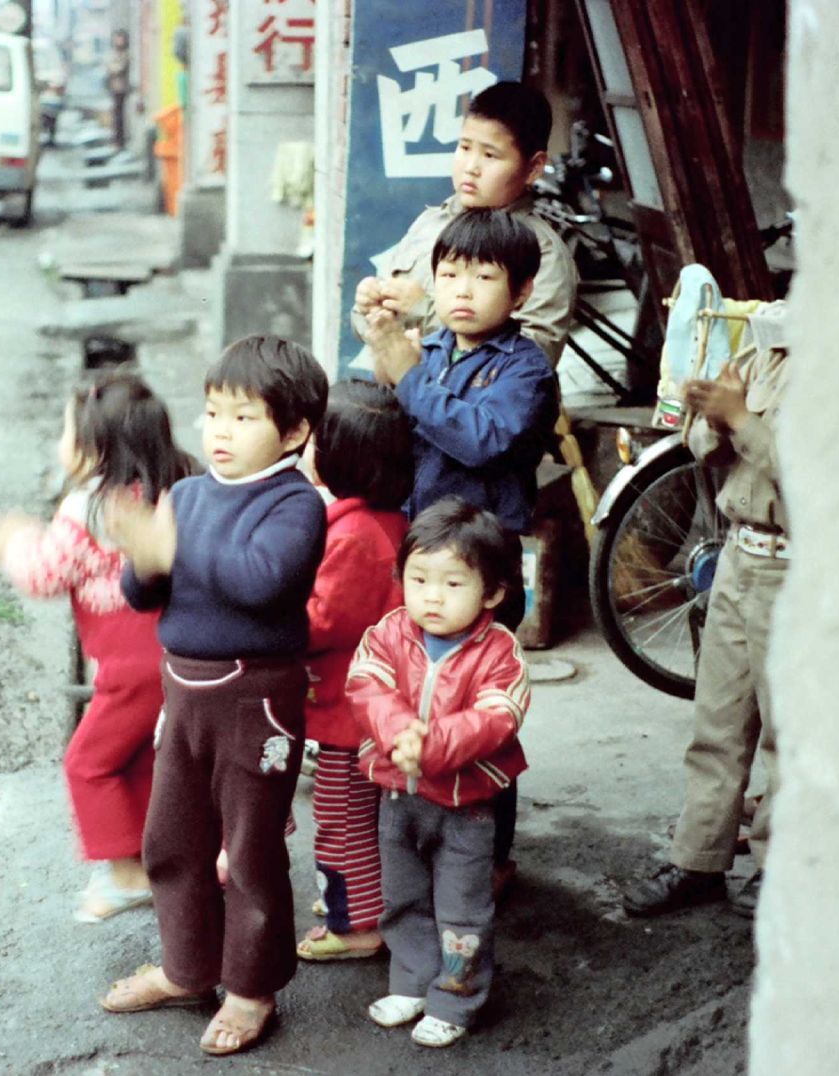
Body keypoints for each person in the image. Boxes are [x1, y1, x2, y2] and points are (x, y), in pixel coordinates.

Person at [99, 335, 329, 1057]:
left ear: (293, 431)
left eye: (243, 418)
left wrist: (175, 547)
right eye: (212, 414)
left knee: (251, 847)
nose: (220, 433)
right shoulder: (190, 493)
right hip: (186, 694)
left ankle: (252, 988)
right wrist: (141, 553)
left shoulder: (297, 505)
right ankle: (186, 967)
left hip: (255, 698)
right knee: (172, 839)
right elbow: (144, 592)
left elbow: (260, 580)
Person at [364, 204, 560, 898]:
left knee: (480, 708)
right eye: (449, 275)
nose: (462, 291)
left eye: (483, 276)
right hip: (425, 548)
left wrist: (408, 376)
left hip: (484, 559)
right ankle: (421, 828)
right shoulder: (435, 346)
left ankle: (491, 851)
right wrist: (384, 345)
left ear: (522, 292)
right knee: (419, 687)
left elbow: (482, 438)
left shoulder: (527, 370)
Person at [0, 372, 196, 923]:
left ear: (93, 447)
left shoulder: (87, 507)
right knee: (141, 761)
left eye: (66, 432)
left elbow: (45, 575)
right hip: (177, 653)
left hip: (128, 666)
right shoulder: (177, 485)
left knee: (87, 763)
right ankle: (164, 863)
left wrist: (14, 543)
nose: (61, 443)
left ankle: (126, 877)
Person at [350, 498, 529, 1049]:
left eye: (453, 584)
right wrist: (400, 729)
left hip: (466, 807)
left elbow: (499, 716)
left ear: (493, 592)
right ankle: (411, 980)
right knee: (401, 897)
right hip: (398, 799)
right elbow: (365, 685)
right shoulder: (387, 632)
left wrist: (430, 745)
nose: (431, 596)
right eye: (419, 578)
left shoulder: (500, 651)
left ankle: (456, 996)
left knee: (462, 909)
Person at [621, 341, 791, 919]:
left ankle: (784, 868)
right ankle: (698, 859)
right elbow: (702, 452)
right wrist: (714, 419)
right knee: (717, 722)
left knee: (792, 734)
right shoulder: (767, 352)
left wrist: (742, 418)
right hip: (741, 556)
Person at [294, 380, 413, 964]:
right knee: (359, 817)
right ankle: (356, 899)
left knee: (341, 819)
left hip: (348, 711)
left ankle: (357, 923)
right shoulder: (385, 522)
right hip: (372, 706)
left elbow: (322, 621)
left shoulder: (351, 537)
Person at [352, 81, 578, 369]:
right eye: (464, 147)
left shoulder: (541, 251)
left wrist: (426, 310)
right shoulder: (431, 223)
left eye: (489, 155)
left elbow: (530, 366)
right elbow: (376, 332)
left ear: (533, 168)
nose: (471, 166)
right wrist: (367, 309)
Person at [105, 29, 130, 150]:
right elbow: (110, 68)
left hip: (123, 88)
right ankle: (117, 140)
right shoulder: (114, 53)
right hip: (115, 87)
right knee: (116, 115)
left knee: (120, 116)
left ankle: (120, 141)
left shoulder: (125, 54)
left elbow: (119, 68)